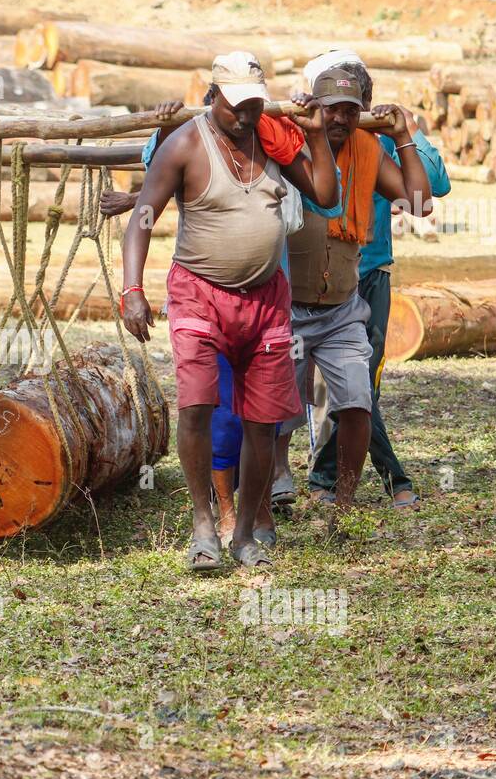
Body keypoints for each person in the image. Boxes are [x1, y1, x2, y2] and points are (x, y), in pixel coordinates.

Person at [120, 51, 339, 571]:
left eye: (254, 105)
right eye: (236, 104)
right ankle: (203, 524)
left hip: (265, 300)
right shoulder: (185, 145)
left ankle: (245, 533)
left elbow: (327, 196)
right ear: (214, 94)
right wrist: (132, 288)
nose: (245, 115)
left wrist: (316, 134)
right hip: (199, 294)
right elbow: (142, 217)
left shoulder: (272, 138)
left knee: (263, 421)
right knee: (197, 407)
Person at [278, 66, 432, 537]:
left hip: (343, 306)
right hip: (289, 307)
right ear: (315, 108)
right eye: (332, 110)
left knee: (357, 402)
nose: (341, 119)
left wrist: (403, 137)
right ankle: (275, 482)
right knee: (279, 407)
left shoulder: (367, 148)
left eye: (350, 110)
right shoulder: (288, 144)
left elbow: (421, 203)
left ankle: (342, 504)